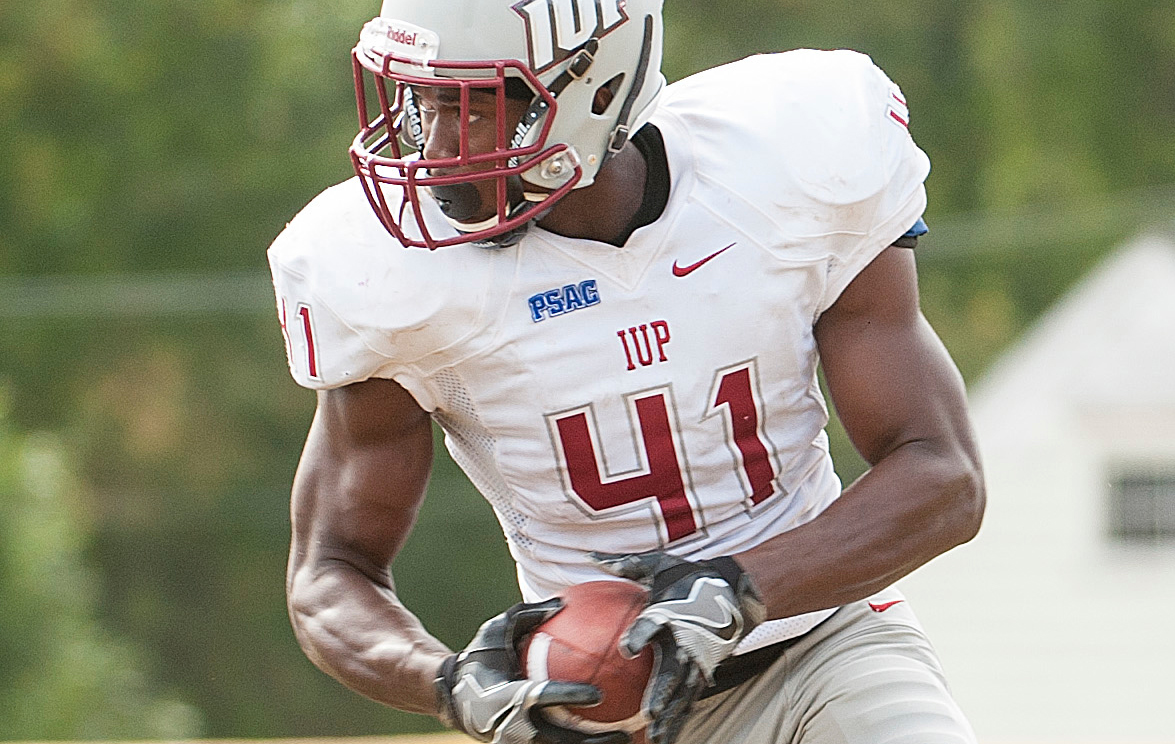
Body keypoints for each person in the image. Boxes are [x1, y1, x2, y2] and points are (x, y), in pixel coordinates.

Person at [269, 0, 985, 742]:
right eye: (423, 101)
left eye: (474, 108)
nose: (436, 147)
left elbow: (942, 476)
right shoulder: (382, 275)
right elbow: (329, 571)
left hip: (816, 651)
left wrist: (741, 588)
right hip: (592, 709)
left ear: (596, 91)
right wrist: (446, 682)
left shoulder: (779, 168)